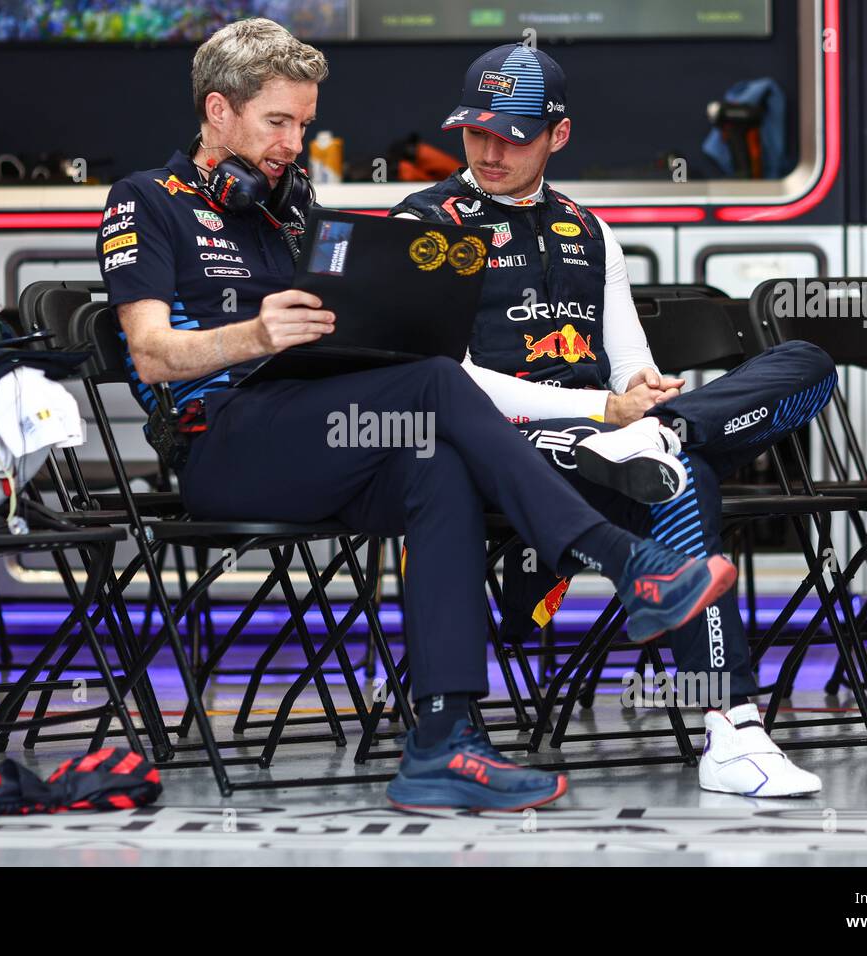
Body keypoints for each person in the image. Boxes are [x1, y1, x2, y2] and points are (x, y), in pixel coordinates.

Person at [96, 19, 736, 811]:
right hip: (221, 444)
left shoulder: (291, 210)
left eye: (304, 123)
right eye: (279, 122)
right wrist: (253, 334)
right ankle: (623, 560)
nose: (296, 143)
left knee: (441, 466)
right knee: (436, 382)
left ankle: (444, 742)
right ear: (219, 111)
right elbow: (152, 354)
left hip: (314, 425)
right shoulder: (145, 201)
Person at [392, 43, 836, 797]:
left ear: (557, 136)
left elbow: (628, 360)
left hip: (613, 443)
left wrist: (644, 393)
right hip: (501, 450)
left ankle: (670, 438)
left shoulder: (590, 230)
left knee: (807, 364)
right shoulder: (426, 222)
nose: (490, 150)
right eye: (476, 132)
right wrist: (601, 408)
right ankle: (731, 726)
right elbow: (452, 383)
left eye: (513, 135)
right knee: (676, 476)